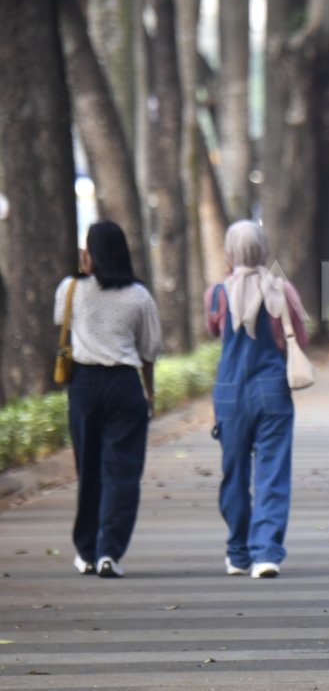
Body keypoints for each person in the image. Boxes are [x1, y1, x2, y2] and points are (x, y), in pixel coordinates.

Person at [54, 221, 163, 578]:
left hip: (84, 386)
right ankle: (109, 553)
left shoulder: (71, 288)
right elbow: (149, 351)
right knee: (123, 472)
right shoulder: (139, 296)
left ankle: (85, 550)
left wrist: (85, 272)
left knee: (89, 469)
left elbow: (63, 321)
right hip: (124, 384)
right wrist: (149, 391)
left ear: (91, 252)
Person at [204, 220, 308, 579]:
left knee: (234, 473)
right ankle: (265, 552)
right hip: (272, 389)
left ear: (230, 252)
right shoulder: (281, 290)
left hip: (229, 393)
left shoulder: (217, 293)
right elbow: (301, 339)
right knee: (272, 471)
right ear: (263, 248)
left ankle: (237, 552)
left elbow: (214, 329)